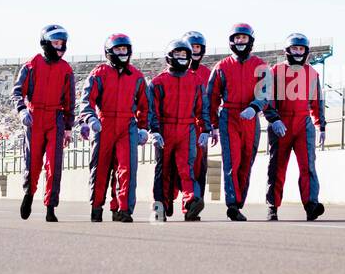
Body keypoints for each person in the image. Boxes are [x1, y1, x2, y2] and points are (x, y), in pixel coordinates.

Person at [207, 23, 275, 221]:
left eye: (244, 38)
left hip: (251, 118)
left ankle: (239, 201)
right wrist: (212, 125)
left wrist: (254, 107)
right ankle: (232, 204)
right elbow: (211, 97)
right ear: (231, 41)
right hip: (229, 117)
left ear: (250, 41)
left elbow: (266, 92)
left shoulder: (261, 66)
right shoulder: (221, 67)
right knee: (232, 162)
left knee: (246, 162)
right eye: (237, 38)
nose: (240, 41)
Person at [79, 33, 149, 223]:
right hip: (104, 126)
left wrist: (143, 128)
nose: (122, 52)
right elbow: (86, 101)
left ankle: (124, 209)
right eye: (118, 49)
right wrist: (90, 119)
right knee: (100, 169)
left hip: (127, 126)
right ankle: (96, 207)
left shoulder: (137, 76)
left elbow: (145, 105)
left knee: (127, 169)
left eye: (124, 49)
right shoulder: (98, 73)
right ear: (109, 52)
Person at [11, 24, 76, 222]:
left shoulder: (66, 69)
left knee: (54, 165)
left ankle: (50, 207)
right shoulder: (32, 64)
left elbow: (70, 101)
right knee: (33, 162)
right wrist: (22, 111)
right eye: (55, 42)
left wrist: (68, 127)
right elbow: (17, 92)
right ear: (46, 43)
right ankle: (29, 194)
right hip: (34, 117)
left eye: (61, 43)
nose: (59, 46)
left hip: (55, 119)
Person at [148, 39, 210, 222]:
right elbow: (152, 110)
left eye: (184, 55)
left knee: (187, 168)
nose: (181, 58)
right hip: (164, 130)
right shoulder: (158, 82)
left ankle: (190, 204)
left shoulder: (196, 81)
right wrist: (155, 131)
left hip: (187, 130)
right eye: (178, 54)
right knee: (163, 170)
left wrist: (205, 129)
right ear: (169, 56)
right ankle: (160, 207)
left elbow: (202, 108)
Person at [265, 32, 326, 221]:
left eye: (301, 49)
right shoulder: (275, 71)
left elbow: (317, 101)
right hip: (280, 124)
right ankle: (272, 207)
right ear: (287, 51)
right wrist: (274, 119)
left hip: (303, 124)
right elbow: (267, 100)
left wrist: (321, 125)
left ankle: (311, 205)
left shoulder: (313, 73)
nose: (298, 52)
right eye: (294, 48)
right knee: (277, 167)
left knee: (308, 166)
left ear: (306, 51)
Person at [180, 29, 213, 217]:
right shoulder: (173, 72)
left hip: (200, 127)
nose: (195, 50)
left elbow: (212, 102)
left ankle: (194, 204)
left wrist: (211, 127)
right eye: (192, 46)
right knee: (181, 166)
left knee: (199, 167)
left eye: (198, 47)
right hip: (179, 127)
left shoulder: (207, 73)